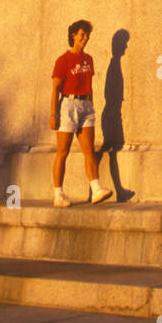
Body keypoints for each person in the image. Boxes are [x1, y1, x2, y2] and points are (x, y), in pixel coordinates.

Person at [50, 20, 113, 206]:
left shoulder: (89, 59)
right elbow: (55, 88)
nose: (85, 38)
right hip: (68, 105)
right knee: (63, 151)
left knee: (89, 151)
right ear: (73, 36)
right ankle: (58, 194)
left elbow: (90, 86)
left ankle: (96, 189)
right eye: (82, 35)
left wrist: (91, 107)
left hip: (85, 106)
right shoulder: (63, 60)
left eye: (87, 35)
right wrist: (53, 114)